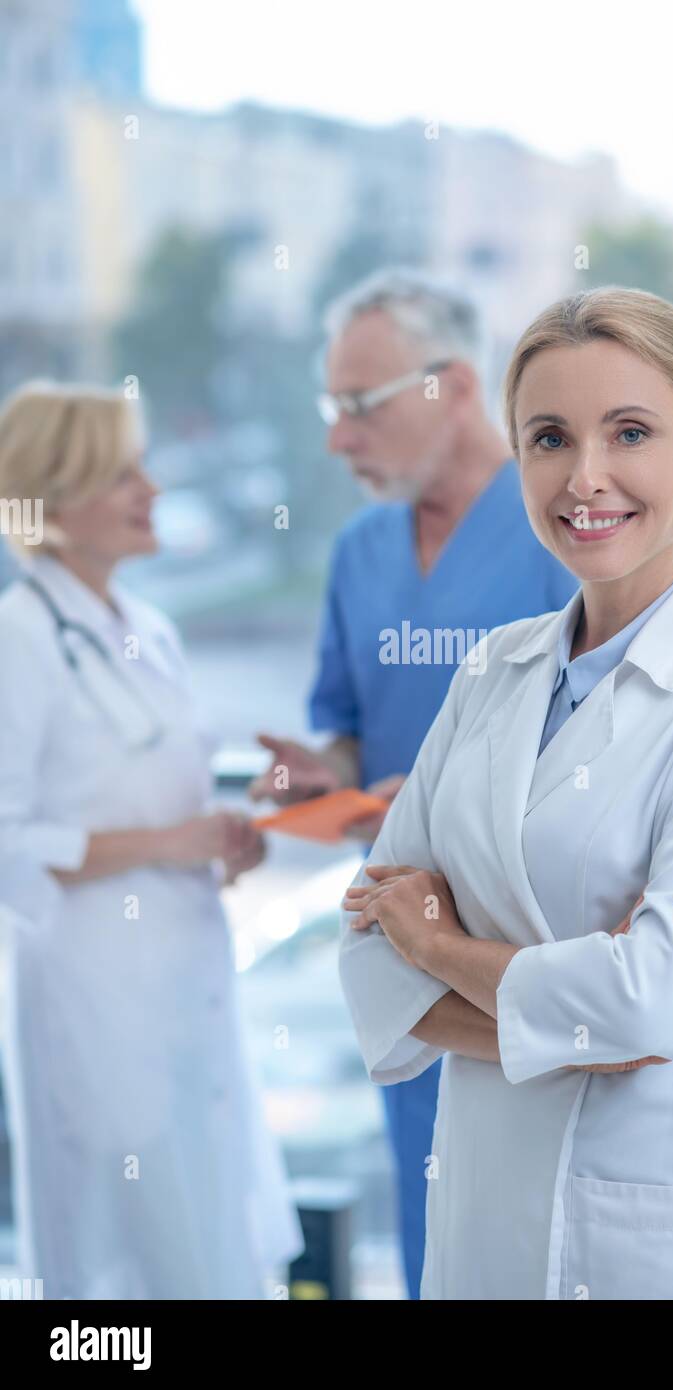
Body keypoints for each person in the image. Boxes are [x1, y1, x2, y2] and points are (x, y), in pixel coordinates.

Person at [338, 286, 673, 1300]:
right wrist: (581, 1026)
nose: (583, 477)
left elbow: (652, 1000)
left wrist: (438, 947)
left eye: (629, 432)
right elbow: (367, 967)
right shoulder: (490, 671)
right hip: (476, 1221)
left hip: (657, 1237)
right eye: (548, 438)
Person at [250, 267, 578, 1298]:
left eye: (359, 406)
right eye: (329, 409)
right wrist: (326, 774)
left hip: (529, 948)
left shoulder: (561, 538)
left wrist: (459, 798)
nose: (337, 438)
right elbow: (345, 730)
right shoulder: (359, 552)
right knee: (438, 1235)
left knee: (550, 1230)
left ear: (452, 385)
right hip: (400, 950)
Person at [0, 382, 304, 1299]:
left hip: (186, 977)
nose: (153, 490)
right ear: (52, 502)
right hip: (93, 996)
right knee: (124, 1265)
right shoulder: (18, 635)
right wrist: (169, 842)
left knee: (210, 1240)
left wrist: (230, 836)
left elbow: (161, 802)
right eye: (121, 474)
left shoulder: (152, 632)